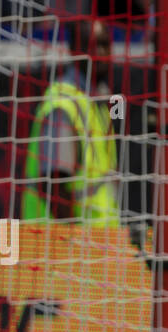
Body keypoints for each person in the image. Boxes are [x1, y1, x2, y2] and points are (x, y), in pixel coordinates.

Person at [21, 19, 122, 235]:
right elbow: (54, 187)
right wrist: (76, 242)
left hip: (98, 248)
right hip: (62, 249)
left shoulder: (98, 103)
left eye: (106, 45)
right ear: (75, 50)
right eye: (95, 46)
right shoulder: (64, 105)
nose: (103, 54)